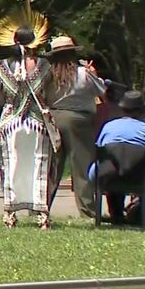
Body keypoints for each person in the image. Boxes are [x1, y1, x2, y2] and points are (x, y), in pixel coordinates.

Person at [0, 6, 55, 229]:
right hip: (37, 124)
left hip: (10, 124)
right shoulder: (45, 66)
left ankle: (10, 213)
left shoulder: (0, 67)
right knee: (38, 165)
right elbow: (49, 96)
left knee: (12, 166)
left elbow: (0, 98)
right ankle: (42, 216)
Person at [45, 35, 106, 217]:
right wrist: (94, 74)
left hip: (54, 118)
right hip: (80, 120)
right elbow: (102, 91)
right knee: (82, 166)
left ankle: (42, 207)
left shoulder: (47, 76)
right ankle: (87, 210)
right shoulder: (84, 73)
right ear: (73, 54)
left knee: (51, 167)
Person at [91, 90, 145, 225]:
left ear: (123, 109)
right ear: (142, 111)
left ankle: (116, 213)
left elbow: (101, 148)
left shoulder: (109, 127)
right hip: (141, 176)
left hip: (107, 174)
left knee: (112, 164)